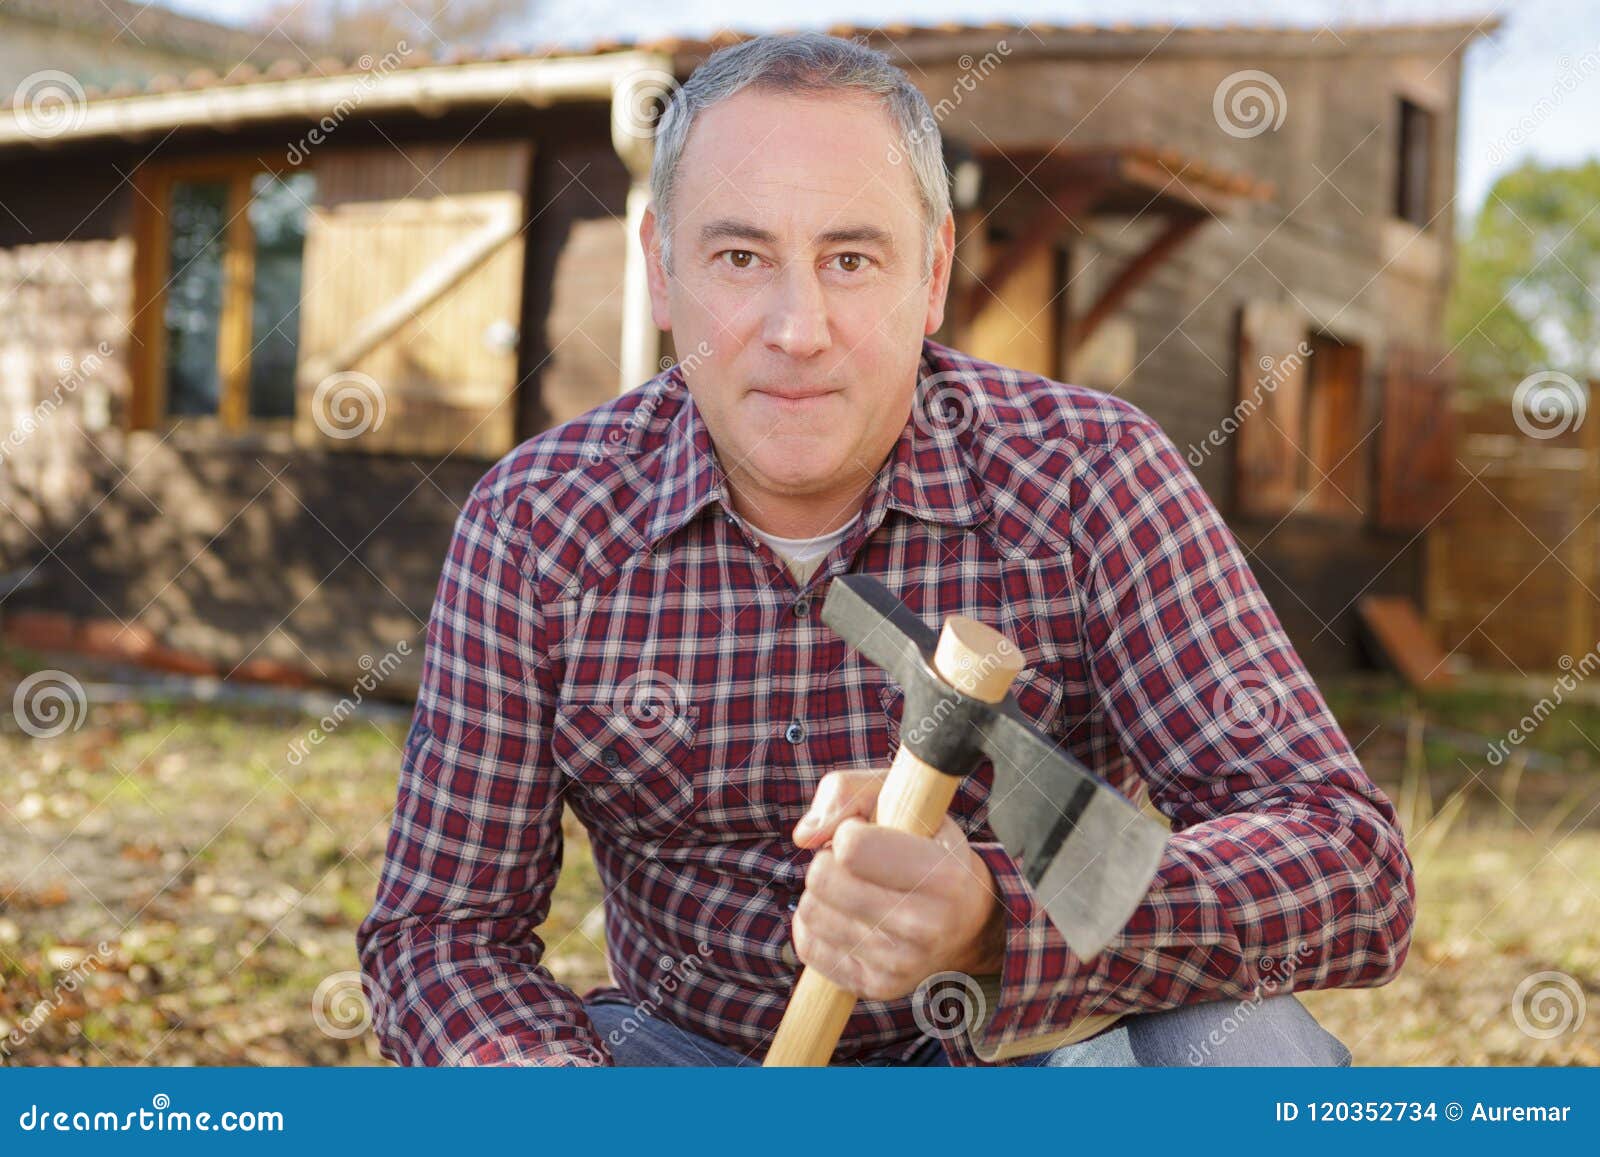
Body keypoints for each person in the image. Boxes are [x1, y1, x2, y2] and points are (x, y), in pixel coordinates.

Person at [356, 31, 1411, 1067]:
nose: (797, 326)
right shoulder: (541, 521)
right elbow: (441, 932)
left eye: (851, 258)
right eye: (738, 256)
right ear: (661, 273)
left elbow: (1348, 867)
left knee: (1243, 1053)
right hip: (690, 1061)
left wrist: (999, 918)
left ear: (935, 272)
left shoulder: (1091, 476)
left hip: (1032, 1062)